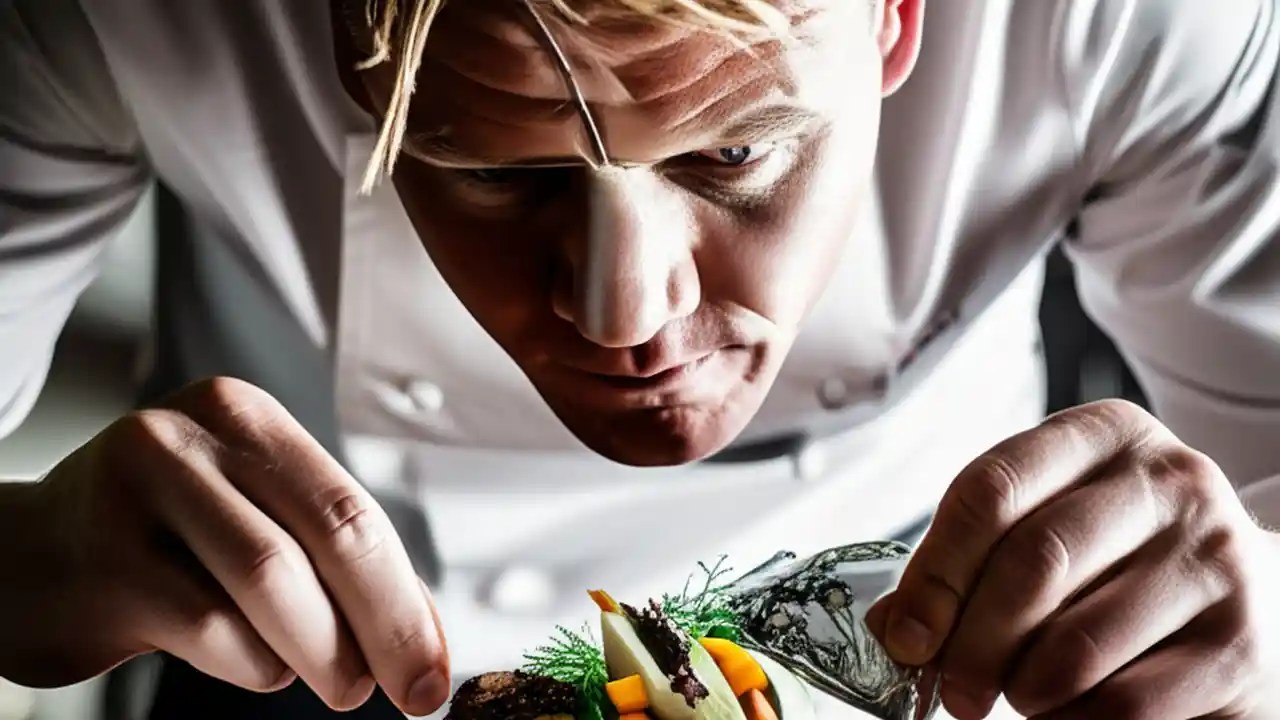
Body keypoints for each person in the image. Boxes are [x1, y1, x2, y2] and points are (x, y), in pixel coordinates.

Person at [1, 0, 1278, 718]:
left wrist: (1257, 613)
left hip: (945, 642)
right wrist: (26, 565)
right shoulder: (101, 17)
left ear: (896, 22)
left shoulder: (1133, 16)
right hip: (275, 648)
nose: (625, 321)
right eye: (499, 173)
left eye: (733, 153)